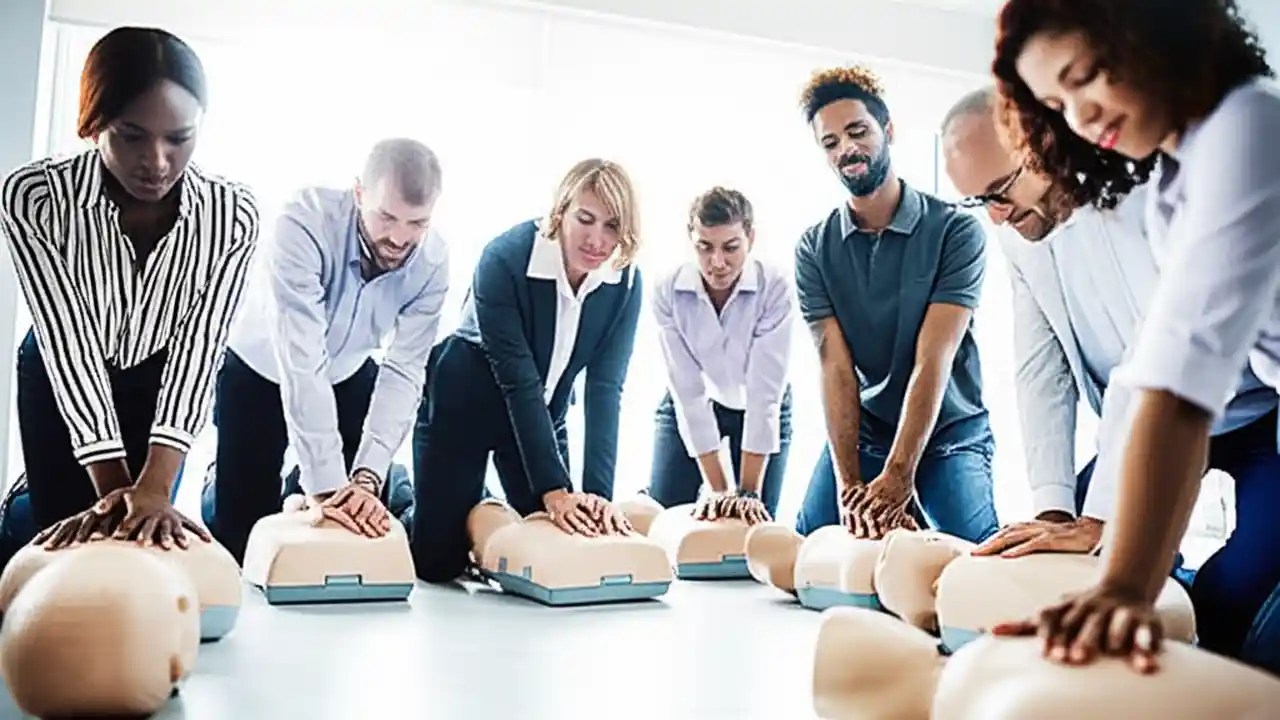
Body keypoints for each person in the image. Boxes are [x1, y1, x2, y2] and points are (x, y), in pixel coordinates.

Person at [988, 0, 1280, 675]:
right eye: (1056, 102)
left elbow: (1179, 388)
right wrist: (1111, 553)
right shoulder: (1173, 187)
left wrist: (1124, 586)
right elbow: (1150, 385)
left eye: (1086, 75)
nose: (1080, 115)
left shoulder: (1248, 129)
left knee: (1251, 635)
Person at [940, 86, 1280, 578]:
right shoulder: (1019, 237)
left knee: (1236, 591)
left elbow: (1156, 354)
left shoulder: (1151, 192)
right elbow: (1041, 366)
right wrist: (1054, 506)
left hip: (1253, 412)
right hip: (1142, 424)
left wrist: (1101, 518)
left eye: (1001, 189)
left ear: (1044, 145)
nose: (997, 214)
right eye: (980, 201)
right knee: (1060, 569)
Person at [0, 27, 258, 551]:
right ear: (95, 123)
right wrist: (115, 491)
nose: (157, 162)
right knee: (68, 540)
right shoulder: (35, 199)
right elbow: (67, 341)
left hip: (160, 378)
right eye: (132, 135)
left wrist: (154, 487)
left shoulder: (233, 218)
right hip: (60, 372)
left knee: (143, 537)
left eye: (179, 139)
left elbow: (199, 350)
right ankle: (19, 511)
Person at [200, 138, 449, 563]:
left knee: (359, 512)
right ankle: (219, 479)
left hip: (349, 372)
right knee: (243, 538)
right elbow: (302, 361)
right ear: (358, 194)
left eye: (417, 223)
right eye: (387, 217)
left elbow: (405, 371)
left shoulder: (432, 262)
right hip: (261, 368)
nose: (399, 238)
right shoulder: (303, 222)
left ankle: (304, 485)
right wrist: (327, 489)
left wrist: (367, 478)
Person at [410, 158, 643, 583]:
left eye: (611, 226)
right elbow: (517, 378)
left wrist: (596, 495)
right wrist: (554, 489)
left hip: (540, 414)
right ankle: (406, 490)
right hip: (467, 402)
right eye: (585, 219)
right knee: (436, 564)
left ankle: (478, 502)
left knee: (559, 542)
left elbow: (605, 388)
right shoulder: (504, 258)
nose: (596, 240)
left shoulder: (624, 281)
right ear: (560, 212)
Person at [792, 65, 998, 544]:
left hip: (950, 431)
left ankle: (916, 521)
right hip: (869, 431)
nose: (846, 149)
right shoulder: (814, 249)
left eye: (857, 132)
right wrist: (849, 486)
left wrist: (900, 475)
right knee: (813, 545)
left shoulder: (956, 231)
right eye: (830, 143)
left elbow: (934, 358)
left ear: (887, 131)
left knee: (975, 551)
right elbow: (836, 368)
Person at [647, 186, 794, 525]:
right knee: (666, 513)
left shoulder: (775, 286)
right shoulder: (667, 290)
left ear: (751, 238)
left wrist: (745, 495)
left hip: (763, 406)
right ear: (690, 238)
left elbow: (764, 395)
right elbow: (688, 394)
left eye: (730, 248)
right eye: (704, 247)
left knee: (753, 522)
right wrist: (718, 491)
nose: (717, 263)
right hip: (694, 402)